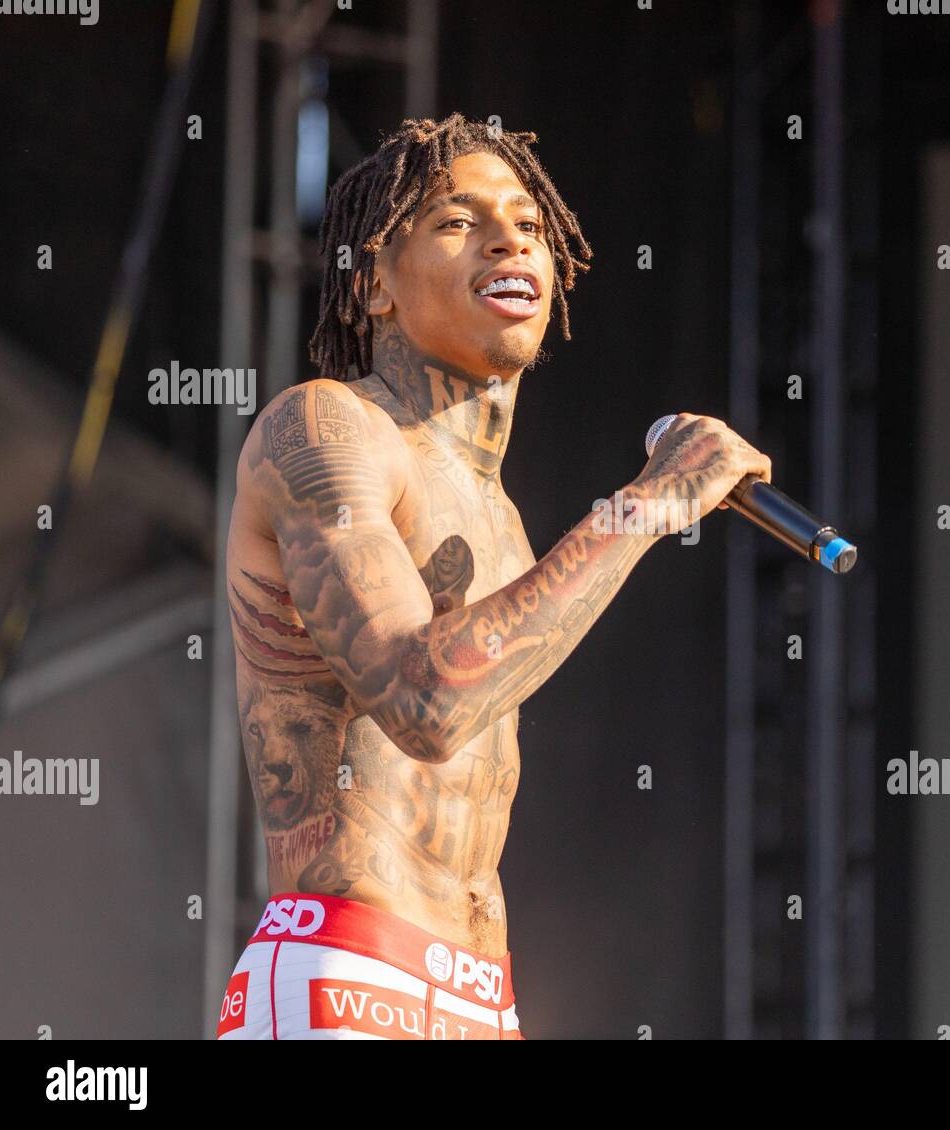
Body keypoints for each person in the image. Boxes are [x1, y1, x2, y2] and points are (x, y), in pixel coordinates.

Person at [216, 114, 771, 1040]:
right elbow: (423, 702)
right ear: (377, 285)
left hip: (482, 993)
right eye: (455, 221)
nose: (511, 238)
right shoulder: (324, 428)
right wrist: (643, 508)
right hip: (350, 968)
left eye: (527, 222)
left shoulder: (501, 515)